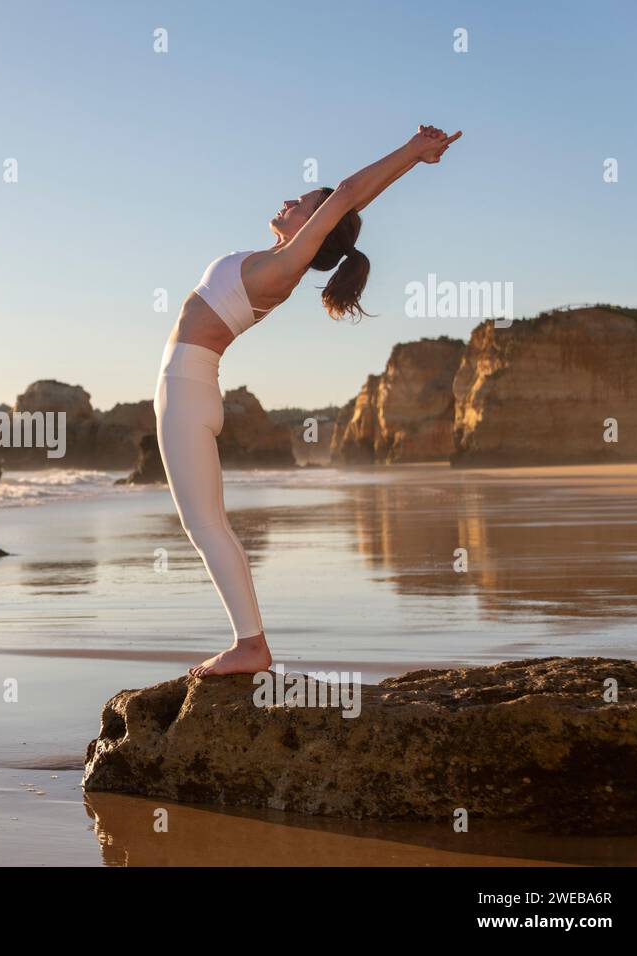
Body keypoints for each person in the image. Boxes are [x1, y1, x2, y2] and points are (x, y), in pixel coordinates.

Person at [156, 125, 462, 678]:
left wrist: (413, 154)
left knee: (206, 528)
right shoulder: (278, 259)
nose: (290, 200)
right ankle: (249, 642)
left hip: (186, 391)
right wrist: (409, 160)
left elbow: (345, 195)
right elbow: (342, 202)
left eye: (303, 202)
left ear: (315, 230)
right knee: (207, 526)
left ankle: (251, 645)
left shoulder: (287, 266)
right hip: (191, 390)